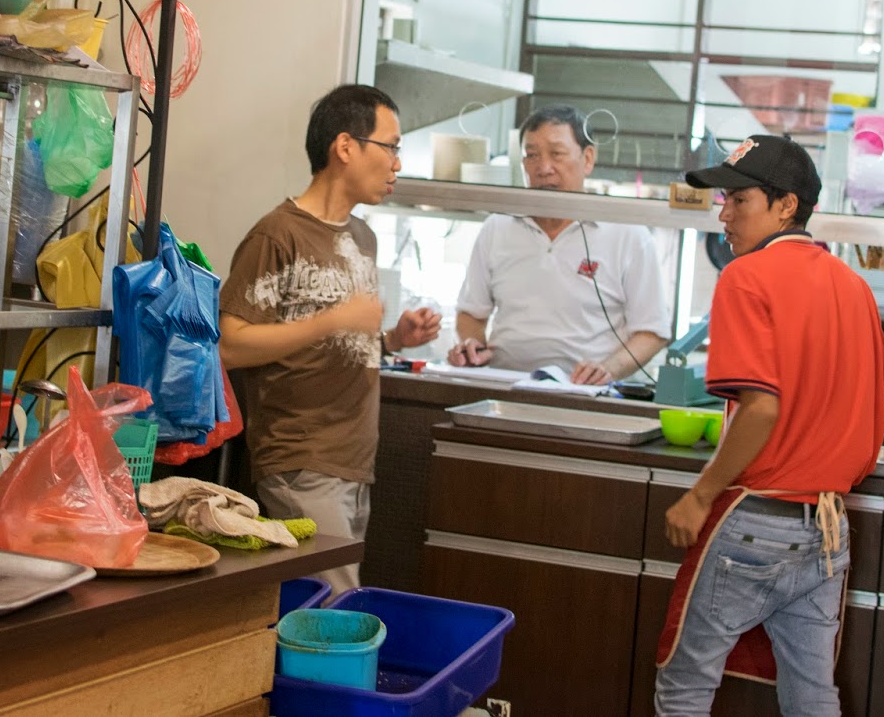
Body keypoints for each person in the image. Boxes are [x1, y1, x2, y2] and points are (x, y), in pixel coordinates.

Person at [654, 134, 884, 716]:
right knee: (811, 692)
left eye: (739, 199)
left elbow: (761, 407)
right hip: (828, 531)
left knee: (685, 685)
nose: (725, 212)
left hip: (754, 522)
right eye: (724, 199)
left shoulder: (747, 277)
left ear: (786, 206)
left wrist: (698, 496)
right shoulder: (854, 287)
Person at [218, 84, 440, 594]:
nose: (397, 164)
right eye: (391, 147)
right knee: (334, 612)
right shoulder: (277, 235)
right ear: (346, 147)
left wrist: (394, 338)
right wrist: (333, 320)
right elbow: (230, 345)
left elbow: (337, 341)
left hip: (354, 459)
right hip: (300, 456)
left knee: (321, 608)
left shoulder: (362, 237)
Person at [448, 105, 671, 385]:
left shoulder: (628, 234)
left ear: (587, 159)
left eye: (557, 154)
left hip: (583, 392)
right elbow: (471, 313)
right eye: (531, 156)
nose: (543, 168)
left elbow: (652, 332)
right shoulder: (497, 226)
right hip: (503, 383)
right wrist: (472, 346)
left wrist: (608, 369)